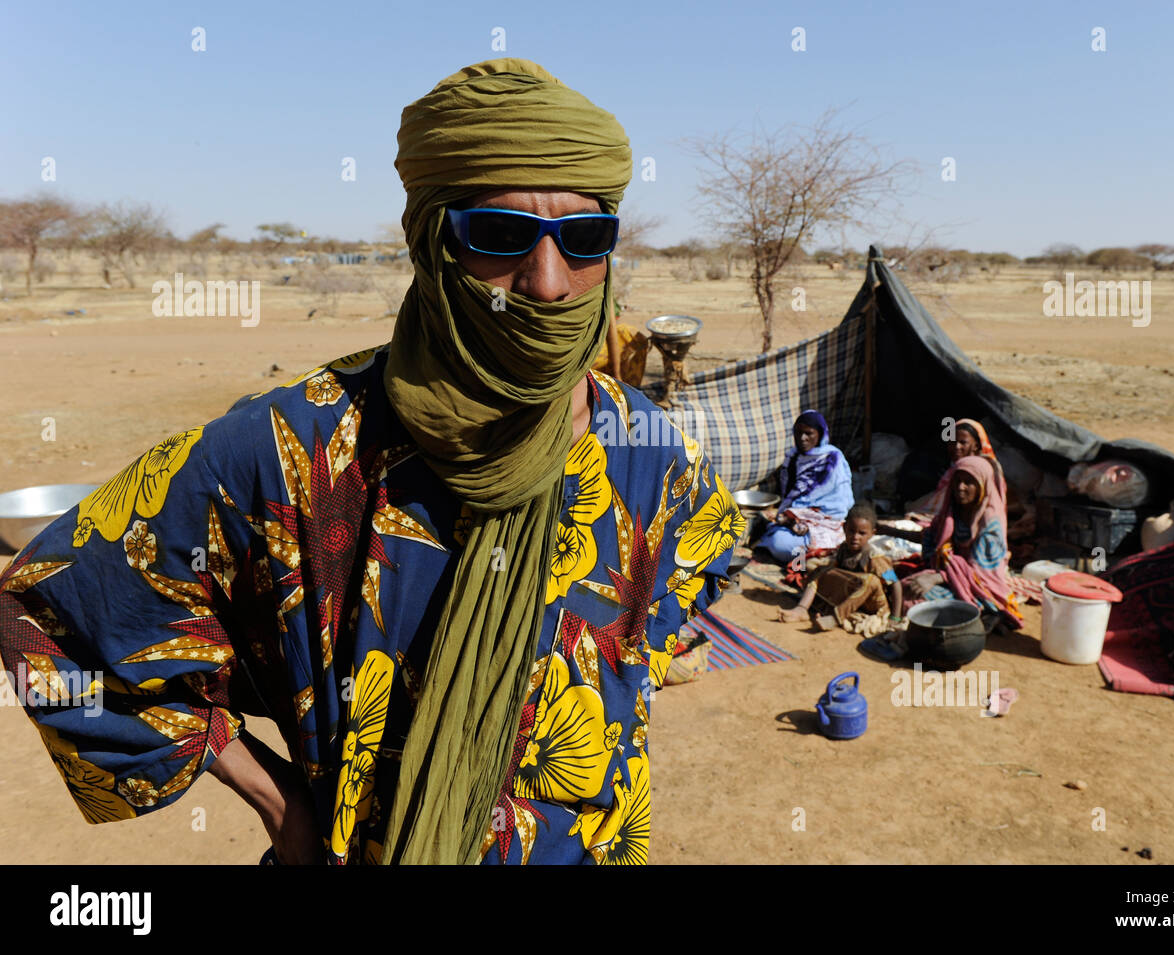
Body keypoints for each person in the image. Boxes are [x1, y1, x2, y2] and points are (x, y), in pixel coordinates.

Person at [0, 58, 744, 866]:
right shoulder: (301, 444)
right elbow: (49, 616)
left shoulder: (655, 452)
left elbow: (679, 590)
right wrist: (280, 806)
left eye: (586, 237)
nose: (547, 282)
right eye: (500, 235)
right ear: (433, 239)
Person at [902, 455, 1024, 629]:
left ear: (983, 485)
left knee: (919, 600)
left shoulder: (990, 525)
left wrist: (937, 577)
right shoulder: (952, 512)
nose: (960, 487)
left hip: (979, 585)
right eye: (957, 481)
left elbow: (980, 574)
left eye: (969, 482)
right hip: (953, 576)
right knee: (905, 587)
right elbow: (931, 535)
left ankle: (988, 614)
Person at [777, 505, 902, 630]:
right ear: (844, 528)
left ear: (872, 534)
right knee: (822, 570)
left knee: (871, 581)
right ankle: (802, 609)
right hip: (852, 597)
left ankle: (836, 618)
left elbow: (895, 584)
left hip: (873, 604)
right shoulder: (844, 549)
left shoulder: (875, 558)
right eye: (851, 531)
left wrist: (895, 618)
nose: (855, 537)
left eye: (862, 533)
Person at [756, 410, 853, 563]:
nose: (802, 438)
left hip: (825, 522)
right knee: (770, 532)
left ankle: (803, 562)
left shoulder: (832, 459)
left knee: (780, 543)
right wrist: (792, 517)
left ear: (820, 434)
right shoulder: (793, 457)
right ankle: (804, 559)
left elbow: (838, 505)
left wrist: (802, 518)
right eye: (798, 433)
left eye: (809, 433)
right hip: (794, 518)